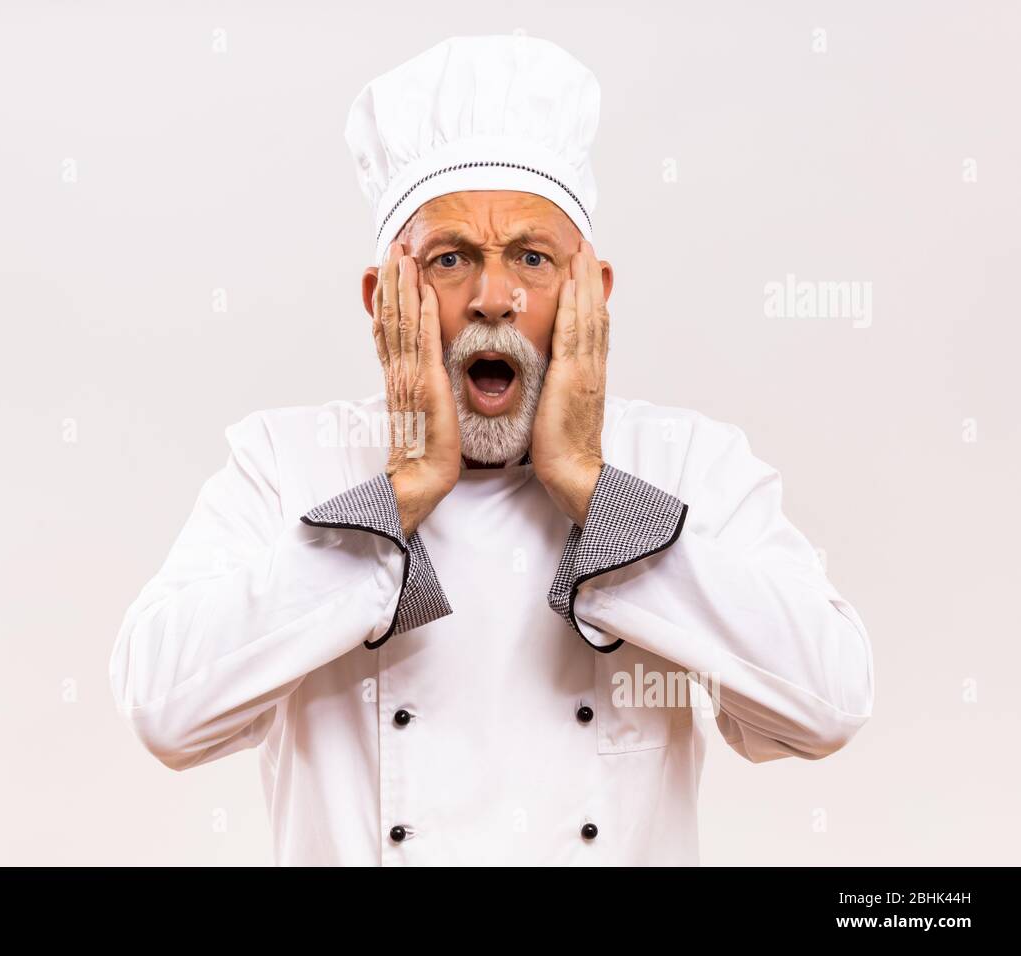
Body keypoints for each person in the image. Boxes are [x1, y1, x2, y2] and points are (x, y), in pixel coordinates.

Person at [109, 34, 875, 866]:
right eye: (451, 259)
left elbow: (828, 705)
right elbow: (163, 711)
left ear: (593, 294)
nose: (494, 299)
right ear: (382, 301)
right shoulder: (284, 460)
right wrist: (401, 494)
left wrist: (591, 488)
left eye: (533, 259)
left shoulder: (689, 460)